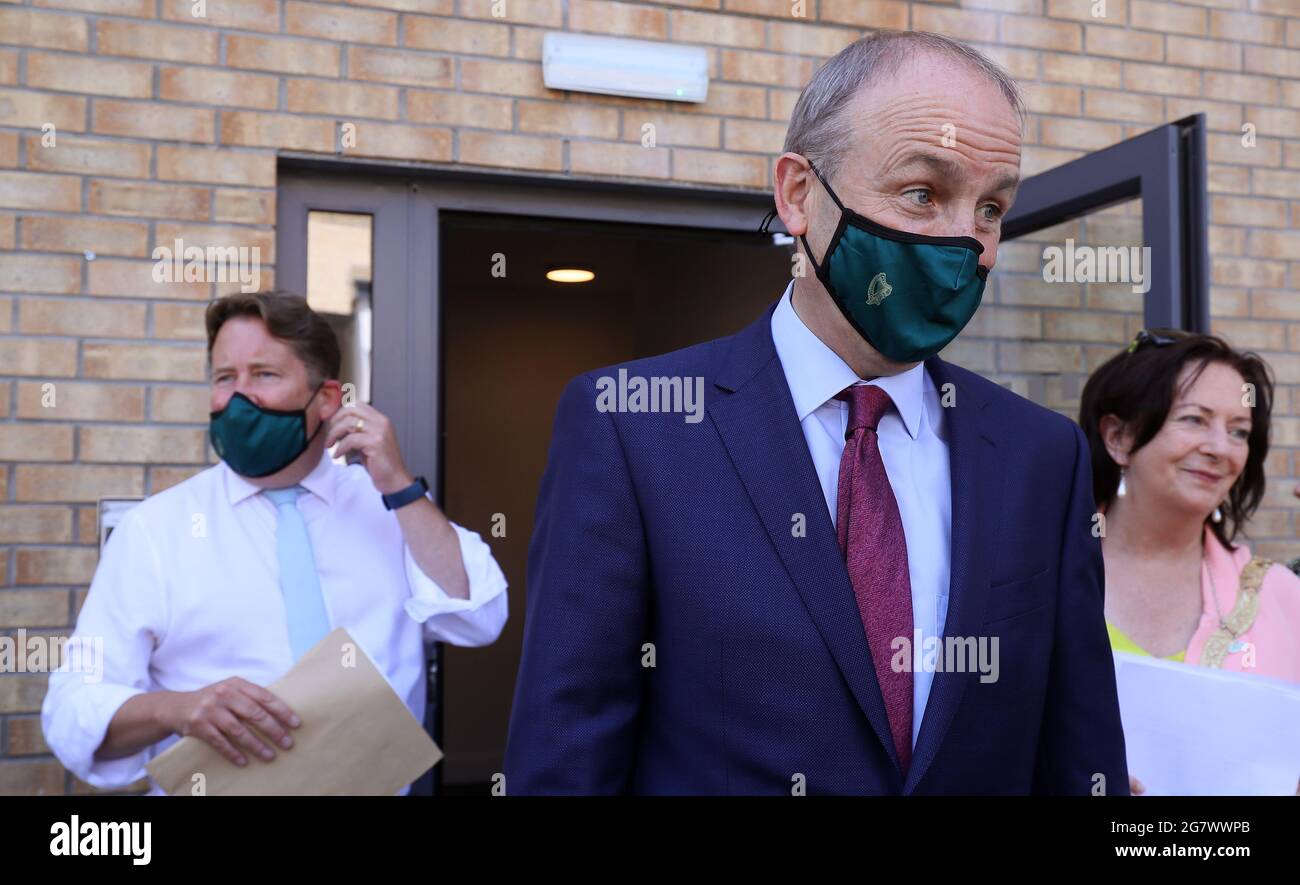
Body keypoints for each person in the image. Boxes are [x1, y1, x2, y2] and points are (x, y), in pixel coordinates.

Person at [504, 31, 1128, 795]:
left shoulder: (1042, 455)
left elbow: (1076, 749)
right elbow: (566, 757)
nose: (968, 240)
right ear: (799, 194)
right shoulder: (634, 428)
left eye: (993, 206)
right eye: (923, 193)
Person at [42, 291, 508, 794]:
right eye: (225, 378)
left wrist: (399, 486)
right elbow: (71, 710)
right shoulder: (156, 531)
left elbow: (478, 617)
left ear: (327, 399)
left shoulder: (389, 508)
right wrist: (178, 710)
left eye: (263, 374)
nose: (239, 398)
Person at [1079, 328, 1300, 795]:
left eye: (1239, 431)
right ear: (1118, 437)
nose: (1221, 448)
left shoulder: (1279, 594)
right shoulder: (1037, 578)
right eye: (1195, 420)